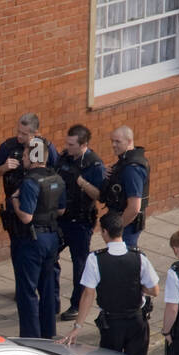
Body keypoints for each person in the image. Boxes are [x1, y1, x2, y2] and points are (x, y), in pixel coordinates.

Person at [62, 212, 158, 355]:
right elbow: (154, 290)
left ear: (104, 231)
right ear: (121, 229)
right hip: (137, 322)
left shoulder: (95, 259)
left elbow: (88, 294)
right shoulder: (139, 257)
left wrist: (77, 327)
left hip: (112, 325)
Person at [9, 143, 65, 338]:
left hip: (33, 240)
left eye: (25, 155)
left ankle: (31, 336)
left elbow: (26, 217)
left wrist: (15, 201)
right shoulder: (57, 178)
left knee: (28, 291)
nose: (23, 158)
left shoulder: (30, 182)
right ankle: (49, 332)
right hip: (52, 238)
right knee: (48, 287)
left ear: (33, 157)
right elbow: (61, 210)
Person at [57, 124, 107, 321]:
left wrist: (82, 182)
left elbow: (100, 195)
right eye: (67, 143)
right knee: (49, 257)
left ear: (83, 144)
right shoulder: (64, 158)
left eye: (71, 144)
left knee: (80, 265)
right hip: (61, 219)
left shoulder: (94, 165)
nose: (67, 147)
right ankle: (52, 300)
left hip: (81, 222)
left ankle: (76, 305)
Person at [0, 113, 60, 239]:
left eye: (24, 134)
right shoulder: (9, 146)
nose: (19, 136)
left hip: (40, 205)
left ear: (36, 133)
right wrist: (3, 168)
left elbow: (57, 171)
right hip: (15, 205)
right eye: (18, 131)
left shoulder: (44, 147)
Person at [102, 125, 149, 249]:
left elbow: (134, 208)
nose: (113, 145)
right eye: (112, 141)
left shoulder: (132, 169)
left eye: (118, 141)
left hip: (126, 225)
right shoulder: (125, 161)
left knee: (124, 261)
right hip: (122, 221)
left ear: (129, 142)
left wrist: (116, 230)